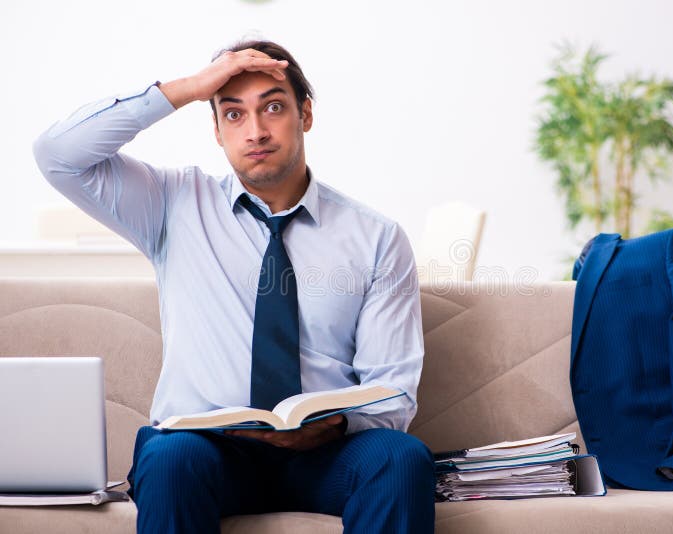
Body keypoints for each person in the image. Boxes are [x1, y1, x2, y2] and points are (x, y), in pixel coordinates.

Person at [33, 39, 434, 534]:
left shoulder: (376, 238)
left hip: (327, 455)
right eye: (233, 114)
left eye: (273, 107)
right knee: (169, 458)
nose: (256, 131)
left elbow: (393, 390)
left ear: (306, 115)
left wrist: (338, 425)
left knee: (401, 458)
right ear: (217, 131)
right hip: (209, 452)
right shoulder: (172, 204)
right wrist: (187, 88)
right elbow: (57, 155)